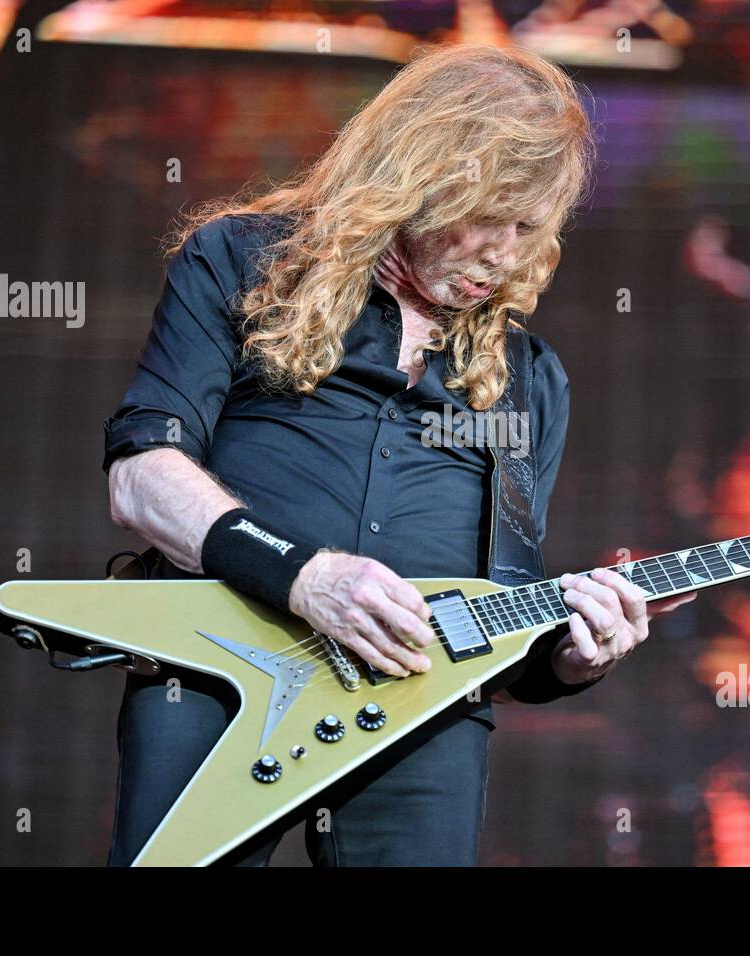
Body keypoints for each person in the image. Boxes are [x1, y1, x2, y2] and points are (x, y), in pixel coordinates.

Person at [100, 43, 695, 867]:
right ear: (422, 178)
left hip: (424, 715)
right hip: (220, 672)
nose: (510, 254)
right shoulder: (240, 262)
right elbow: (140, 477)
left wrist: (574, 654)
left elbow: (510, 621)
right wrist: (306, 578)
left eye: (531, 228)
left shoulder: (528, 377)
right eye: (494, 217)